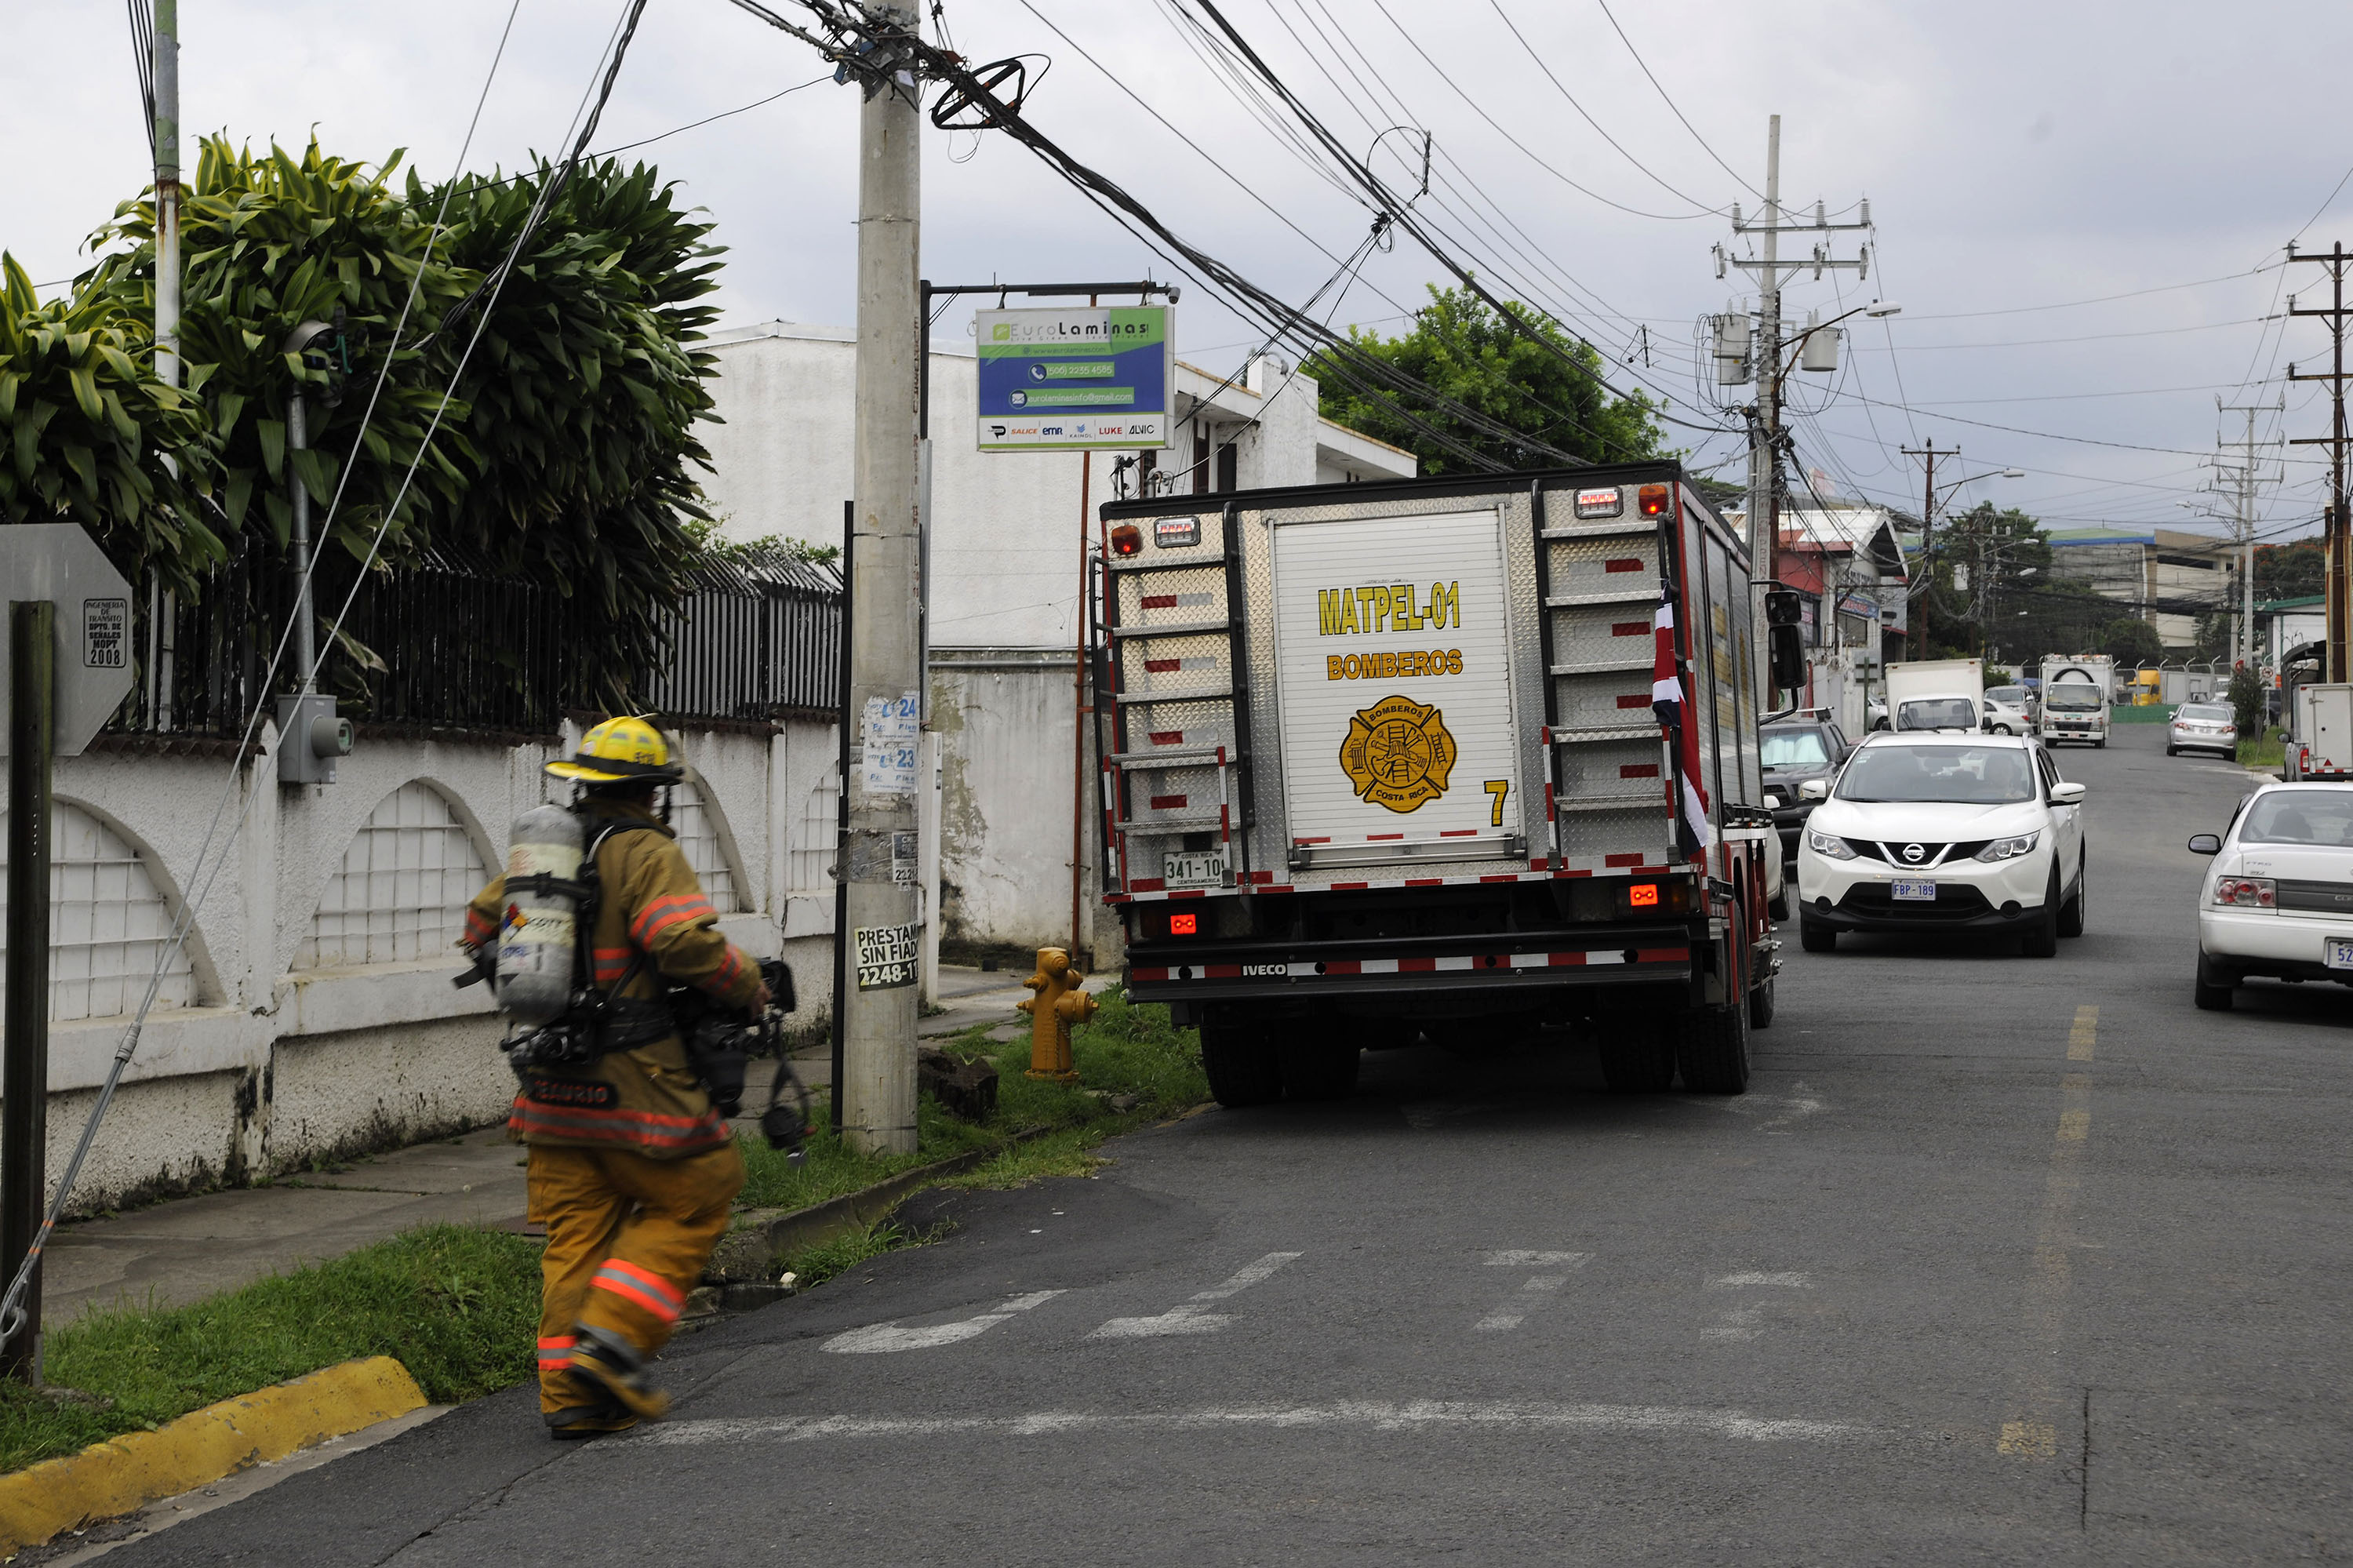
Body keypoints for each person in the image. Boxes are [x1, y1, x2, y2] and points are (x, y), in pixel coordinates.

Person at [460, 716, 769, 1439]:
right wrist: (747, 982)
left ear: (588, 785)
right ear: (653, 794)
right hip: (637, 1081)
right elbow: (678, 940)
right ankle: (615, 1341)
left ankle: (569, 1397)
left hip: (549, 1081)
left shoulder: (549, 856)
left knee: (577, 1237)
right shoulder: (645, 851)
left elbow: (479, 931)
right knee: (704, 1188)